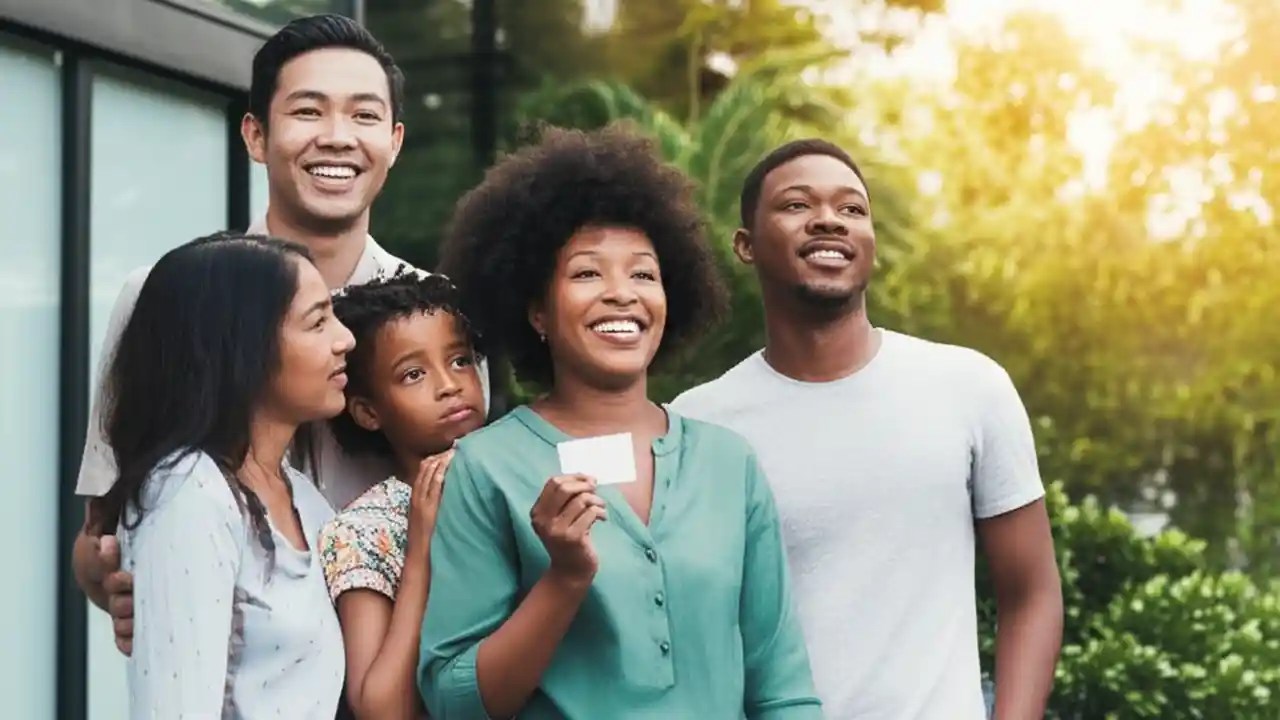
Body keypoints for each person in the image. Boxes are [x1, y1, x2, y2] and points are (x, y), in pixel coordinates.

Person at [73, 14, 487, 651]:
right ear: (256, 134)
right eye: (308, 112)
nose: (337, 138)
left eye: (365, 116)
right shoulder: (165, 298)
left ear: (396, 141)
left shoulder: (442, 318)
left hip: (399, 675)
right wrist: (113, 582)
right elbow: (96, 534)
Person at [416, 125, 822, 720]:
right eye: (586, 274)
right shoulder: (486, 468)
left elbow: (783, 690)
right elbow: (455, 702)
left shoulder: (728, 463)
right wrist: (564, 580)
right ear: (536, 311)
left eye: (643, 274)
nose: (621, 295)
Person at [670, 139, 1064, 719]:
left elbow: (1031, 592)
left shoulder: (969, 386)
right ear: (745, 245)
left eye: (852, 209)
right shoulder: (697, 424)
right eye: (797, 205)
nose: (829, 220)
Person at [95, 233, 351, 718]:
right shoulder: (189, 489)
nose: (345, 339)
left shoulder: (306, 499)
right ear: (243, 347)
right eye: (317, 322)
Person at [317, 270, 487, 719]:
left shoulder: (528, 481)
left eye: (460, 360)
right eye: (413, 374)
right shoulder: (365, 530)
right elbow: (381, 709)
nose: (449, 384)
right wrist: (420, 550)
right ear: (369, 412)